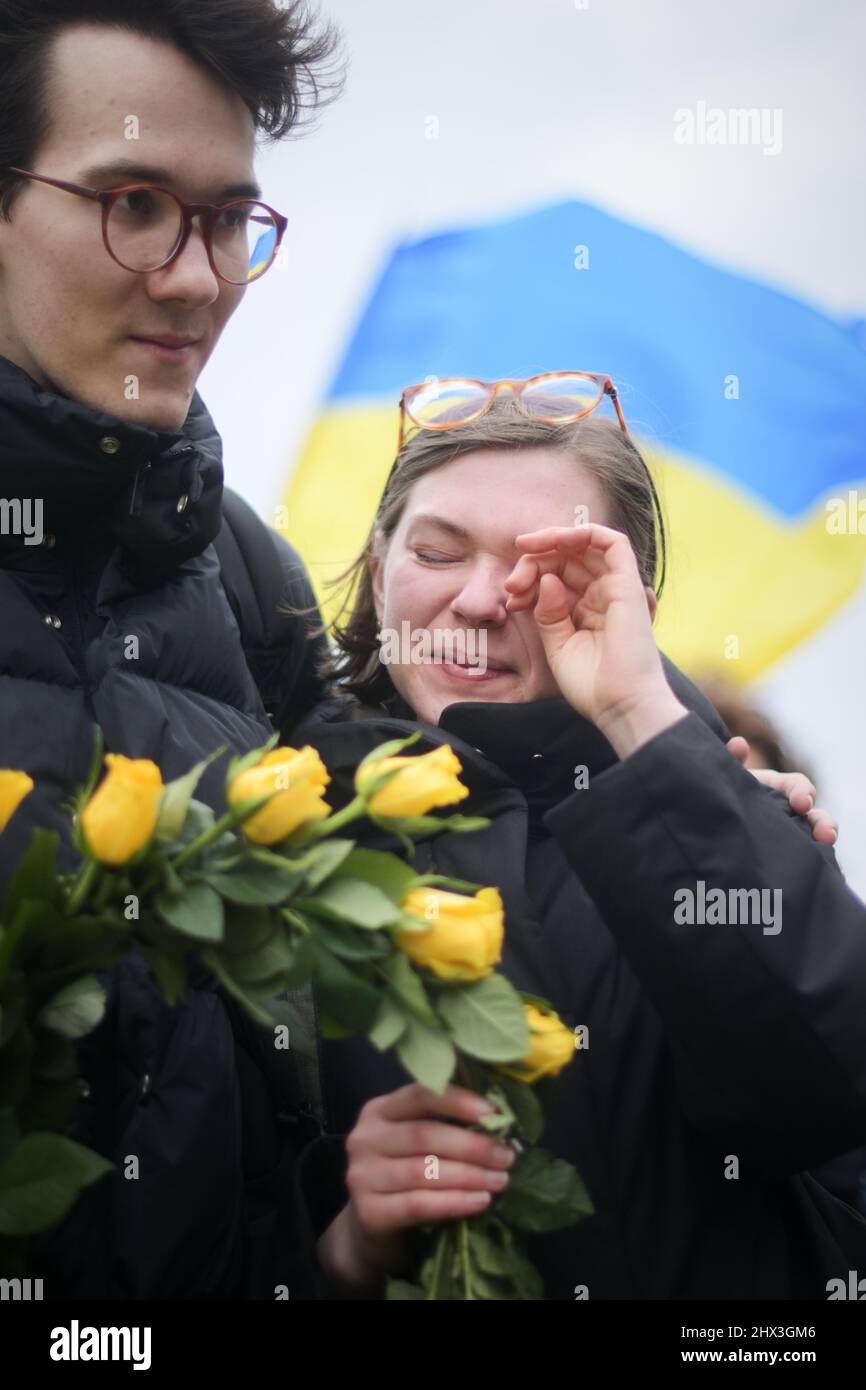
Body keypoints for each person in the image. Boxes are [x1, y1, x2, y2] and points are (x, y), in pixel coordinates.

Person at [292, 382, 866, 1299]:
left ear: (627, 603)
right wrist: (347, 1252)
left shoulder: (735, 822)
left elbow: (829, 1097)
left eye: (537, 569)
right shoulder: (270, 839)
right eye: (437, 551)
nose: (479, 600)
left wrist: (646, 718)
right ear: (377, 563)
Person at [0, 0, 346, 1297]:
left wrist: (686, 795)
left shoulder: (255, 586)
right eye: (133, 202)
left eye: (227, 220)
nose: (198, 277)